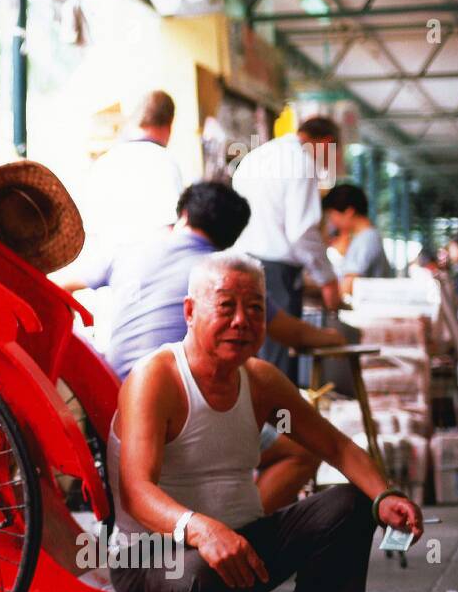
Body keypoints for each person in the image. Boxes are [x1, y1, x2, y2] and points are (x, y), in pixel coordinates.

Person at [107, 252, 423, 592]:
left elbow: (335, 445)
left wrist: (386, 495)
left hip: (243, 548)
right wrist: (201, 530)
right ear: (189, 311)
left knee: (351, 504)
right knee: (197, 576)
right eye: (226, 306)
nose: (242, 320)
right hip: (156, 561)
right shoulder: (156, 379)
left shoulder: (261, 381)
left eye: (255, 308)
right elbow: (135, 492)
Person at [54, 182, 344, 512]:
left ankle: (228, 526)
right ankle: (242, 528)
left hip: (107, 404)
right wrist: (337, 336)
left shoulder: (130, 250)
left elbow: (60, 288)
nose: (239, 319)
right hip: (172, 412)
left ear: (184, 214)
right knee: (301, 450)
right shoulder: (222, 276)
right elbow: (296, 334)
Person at [231, 117, 342, 383]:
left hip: (242, 265)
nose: (329, 164)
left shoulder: (257, 156)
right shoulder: (301, 162)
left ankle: (258, 423)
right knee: (277, 364)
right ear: (327, 143)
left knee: (252, 357)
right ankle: (281, 424)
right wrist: (327, 280)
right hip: (276, 274)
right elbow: (302, 232)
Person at [82, 90, 185, 245]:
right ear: (169, 125)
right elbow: (169, 231)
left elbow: (91, 232)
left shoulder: (103, 163)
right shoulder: (165, 162)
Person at [321, 183, 391, 298]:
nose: (332, 222)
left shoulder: (367, 239)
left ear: (349, 212)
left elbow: (347, 288)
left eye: (332, 215)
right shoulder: (363, 237)